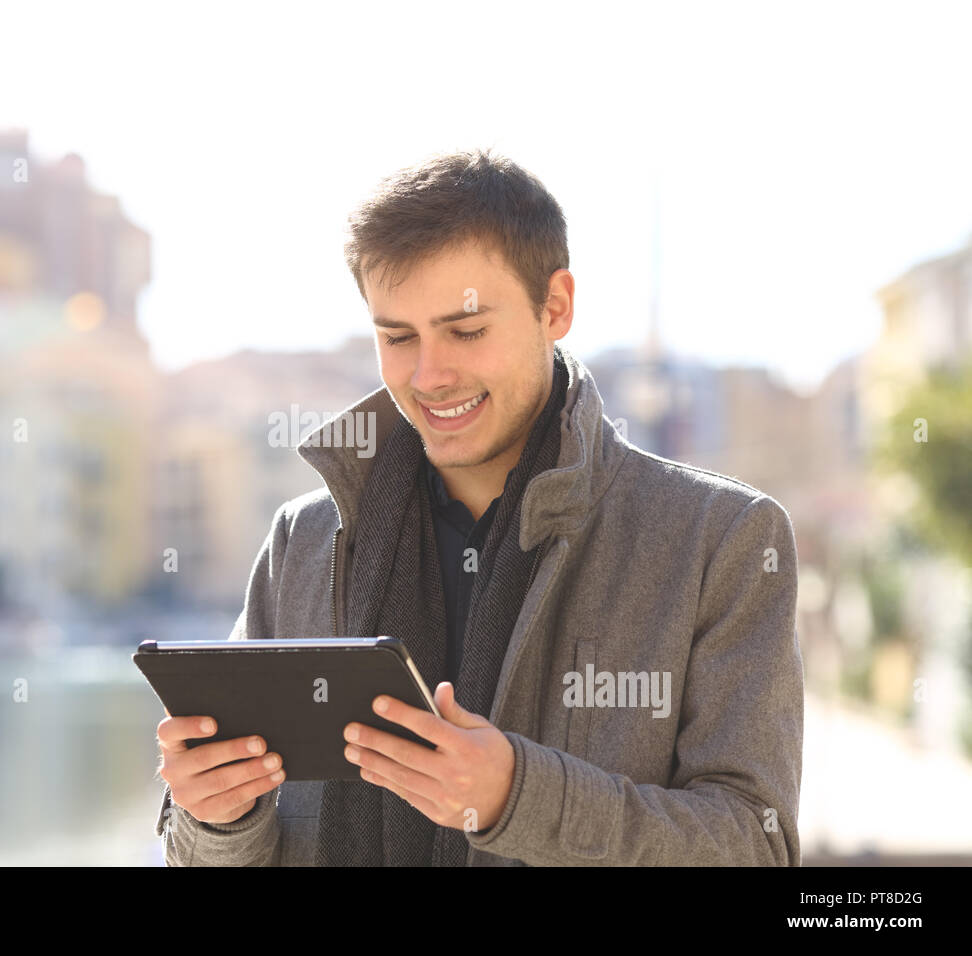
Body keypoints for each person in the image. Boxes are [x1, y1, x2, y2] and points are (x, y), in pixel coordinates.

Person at [152, 148, 803, 866]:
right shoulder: (301, 542)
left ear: (555, 307)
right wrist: (215, 821)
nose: (429, 375)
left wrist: (516, 798)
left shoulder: (723, 540)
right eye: (397, 336)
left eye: (465, 331)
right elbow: (211, 854)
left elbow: (756, 845)